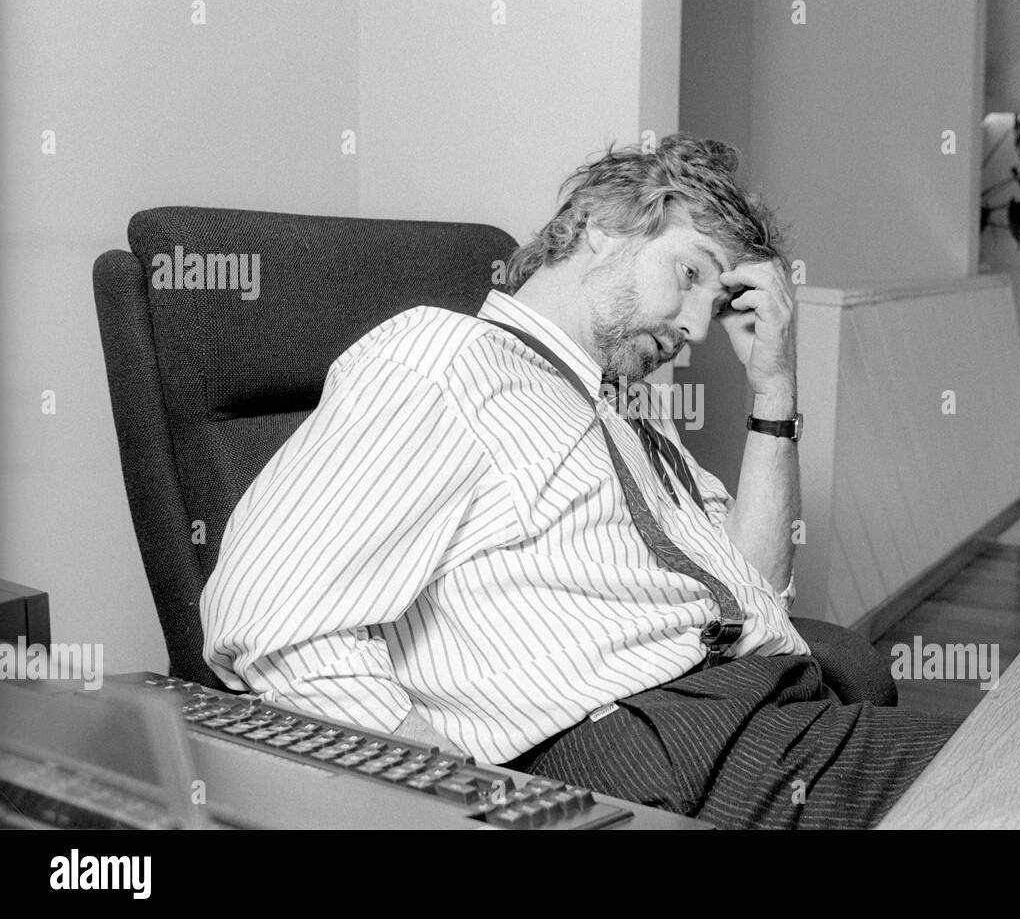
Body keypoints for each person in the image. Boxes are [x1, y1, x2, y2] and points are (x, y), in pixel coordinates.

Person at [199, 134, 959, 828]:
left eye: (718, 301)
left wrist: (775, 389)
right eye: (690, 274)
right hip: (653, 749)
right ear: (603, 224)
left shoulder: (621, 409)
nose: (697, 330)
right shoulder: (444, 359)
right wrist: (472, 798)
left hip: (760, 712)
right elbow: (267, 616)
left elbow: (754, 588)